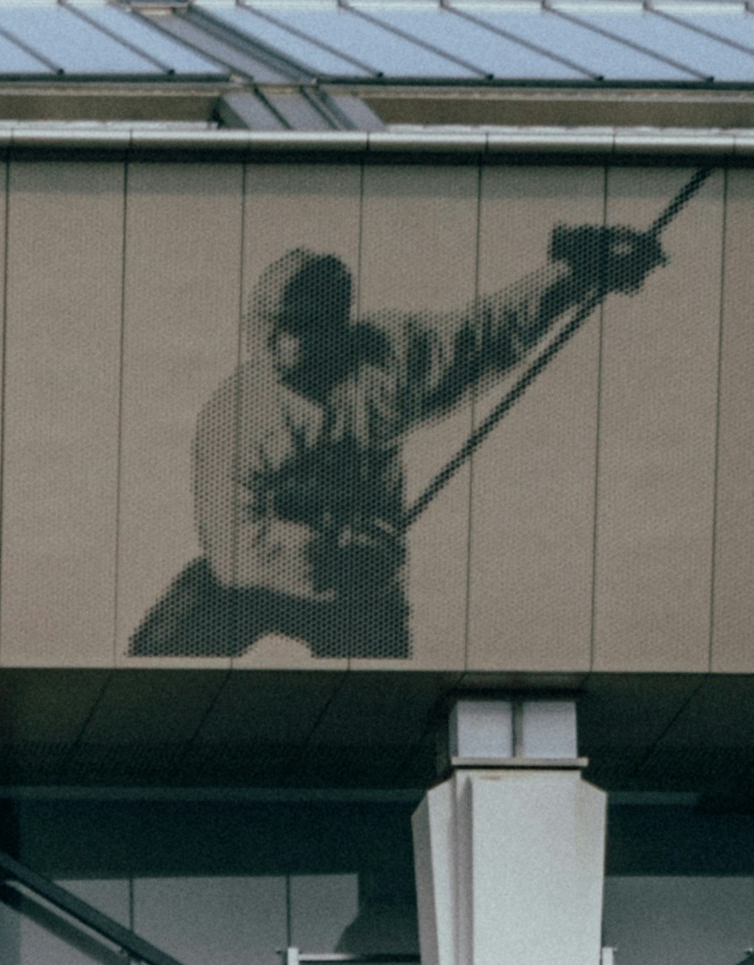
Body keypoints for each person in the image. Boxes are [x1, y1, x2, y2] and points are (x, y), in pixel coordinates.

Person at [130, 225, 666, 661]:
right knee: (157, 657)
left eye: (292, 326)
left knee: (382, 711)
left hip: (364, 588)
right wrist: (335, 555)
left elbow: (486, 335)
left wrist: (572, 276)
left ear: (336, 328)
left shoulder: (387, 357)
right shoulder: (236, 415)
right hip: (254, 577)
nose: (269, 341)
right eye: (262, 323)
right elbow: (234, 549)